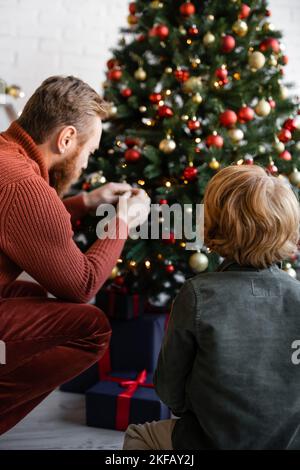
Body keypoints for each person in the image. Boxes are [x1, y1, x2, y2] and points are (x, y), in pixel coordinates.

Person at [0, 75, 150, 435]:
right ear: (66, 138)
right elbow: (81, 285)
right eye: (89, 150)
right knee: (91, 327)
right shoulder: (24, 184)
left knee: (33, 295)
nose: (86, 161)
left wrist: (86, 202)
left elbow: (23, 224)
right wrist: (123, 222)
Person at [123, 164, 300, 450]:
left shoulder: (197, 296)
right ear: (289, 229)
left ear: (213, 226)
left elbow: (169, 388)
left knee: (138, 436)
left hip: (209, 440)